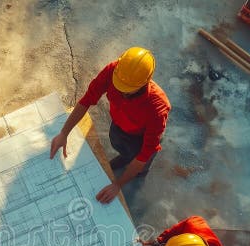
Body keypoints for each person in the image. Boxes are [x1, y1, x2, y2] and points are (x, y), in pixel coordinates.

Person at [49, 47, 171, 204]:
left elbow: (145, 153)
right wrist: (64, 133)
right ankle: (125, 159)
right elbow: (87, 100)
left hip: (140, 139)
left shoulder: (157, 108)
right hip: (120, 125)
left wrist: (117, 185)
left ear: (145, 82)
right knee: (118, 142)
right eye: (119, 87)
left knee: (140, 161)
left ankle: (137, 172)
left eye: (127, 92)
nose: (122, 93)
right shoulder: (114, 71)